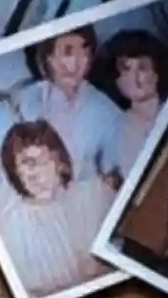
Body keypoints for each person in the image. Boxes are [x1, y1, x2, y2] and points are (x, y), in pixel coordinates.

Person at [0, 120, 115, 298]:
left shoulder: (95, 195)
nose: (34, 177)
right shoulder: (11, 227)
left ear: (59, 161)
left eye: (41, 163)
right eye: (24, 169)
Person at [12, 25, 124, 184]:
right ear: (49, 57)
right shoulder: (26, 99)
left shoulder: (107, 113)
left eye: (83, 53)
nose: (74, 63)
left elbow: (114, 174)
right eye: (67, 52)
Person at [97, 29, 168, 182]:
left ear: (157, 70)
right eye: (126, 69)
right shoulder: (117, 133)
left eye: (143, 67)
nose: (135, 76)